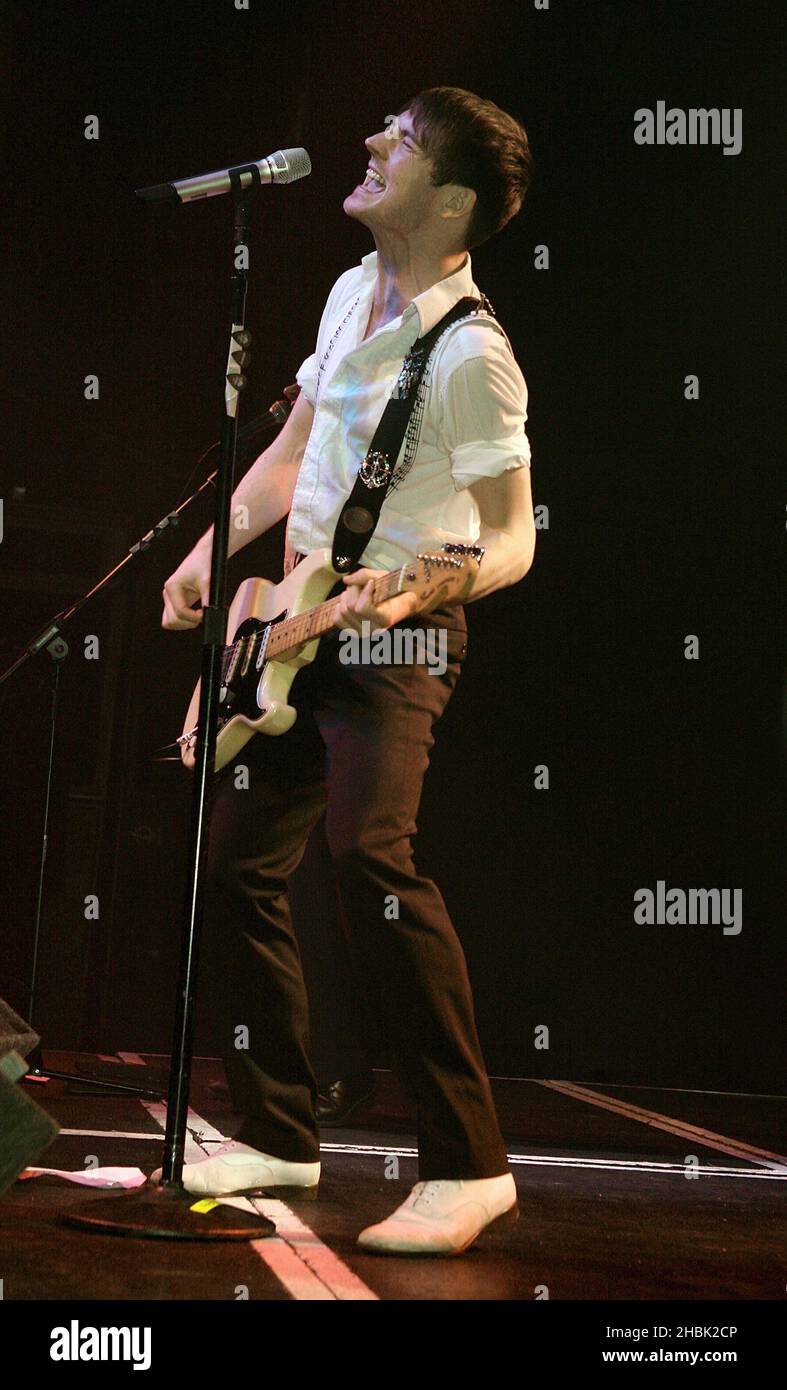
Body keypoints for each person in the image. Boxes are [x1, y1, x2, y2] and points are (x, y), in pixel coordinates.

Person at [158, 86, 536, 1255]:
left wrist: (430, 584)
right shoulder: (341, 294)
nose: (372, 145)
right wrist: (212, 548)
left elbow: (515, 537)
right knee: (235, 868)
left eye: (404, 144)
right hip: (299, 620)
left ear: (454, 200)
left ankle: (470, 1166)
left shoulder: (472, 354)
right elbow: (289, 456)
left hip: (398, 636)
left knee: (370, 856)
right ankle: (278, 1129)